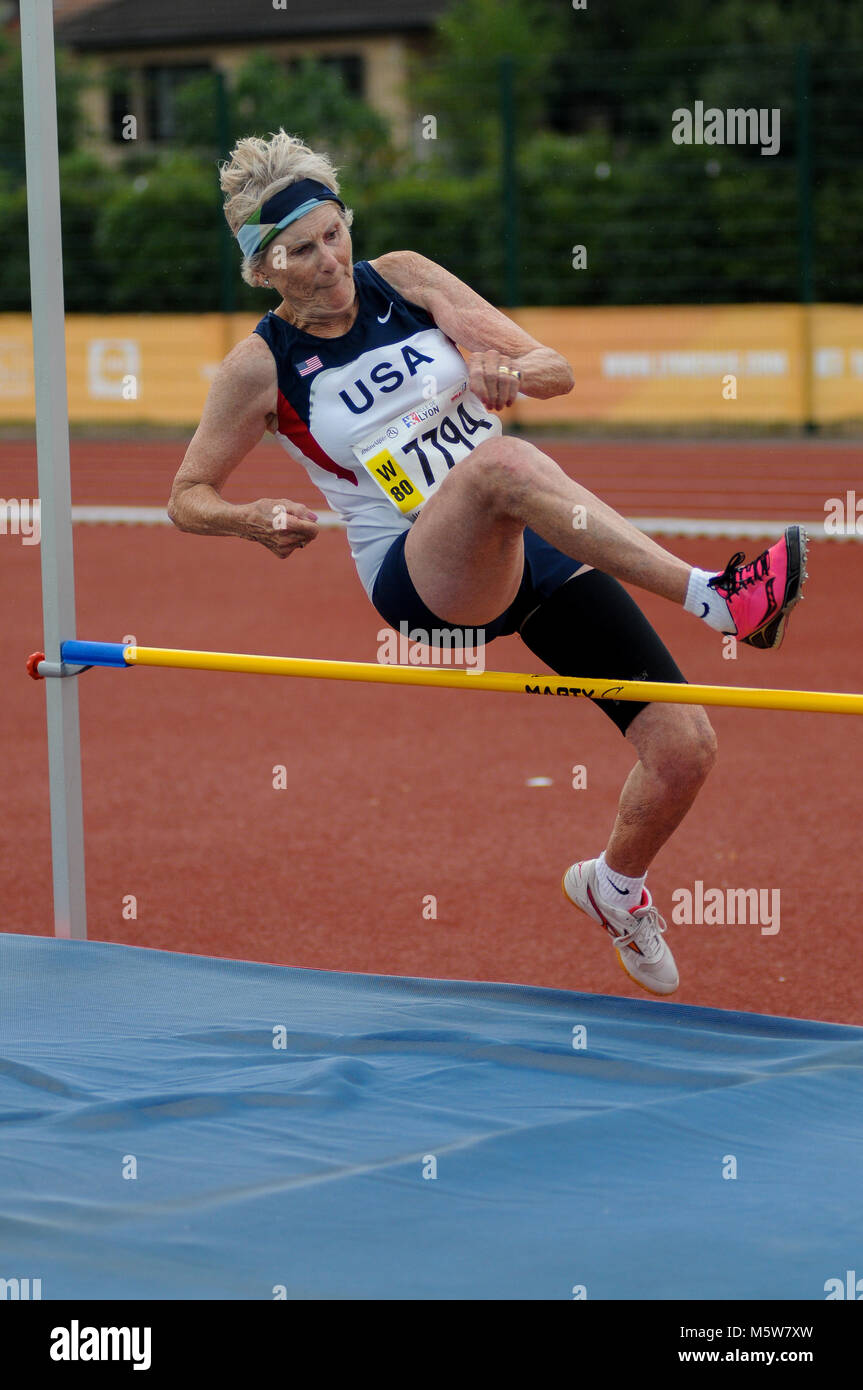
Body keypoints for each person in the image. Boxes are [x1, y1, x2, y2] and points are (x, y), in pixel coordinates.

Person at [167, 130, 808, 997]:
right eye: (301, 252)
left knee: (683, 748)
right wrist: (246, 518)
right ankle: (720, 600)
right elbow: (187, 494)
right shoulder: (258, 368)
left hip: (529, 539)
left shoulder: (404, 277)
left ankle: (613, 888)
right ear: (263, 269)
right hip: (419, 575)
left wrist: (501, 364)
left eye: (333, 235)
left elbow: (555, 370)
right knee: (498, 469)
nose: (329, 262)